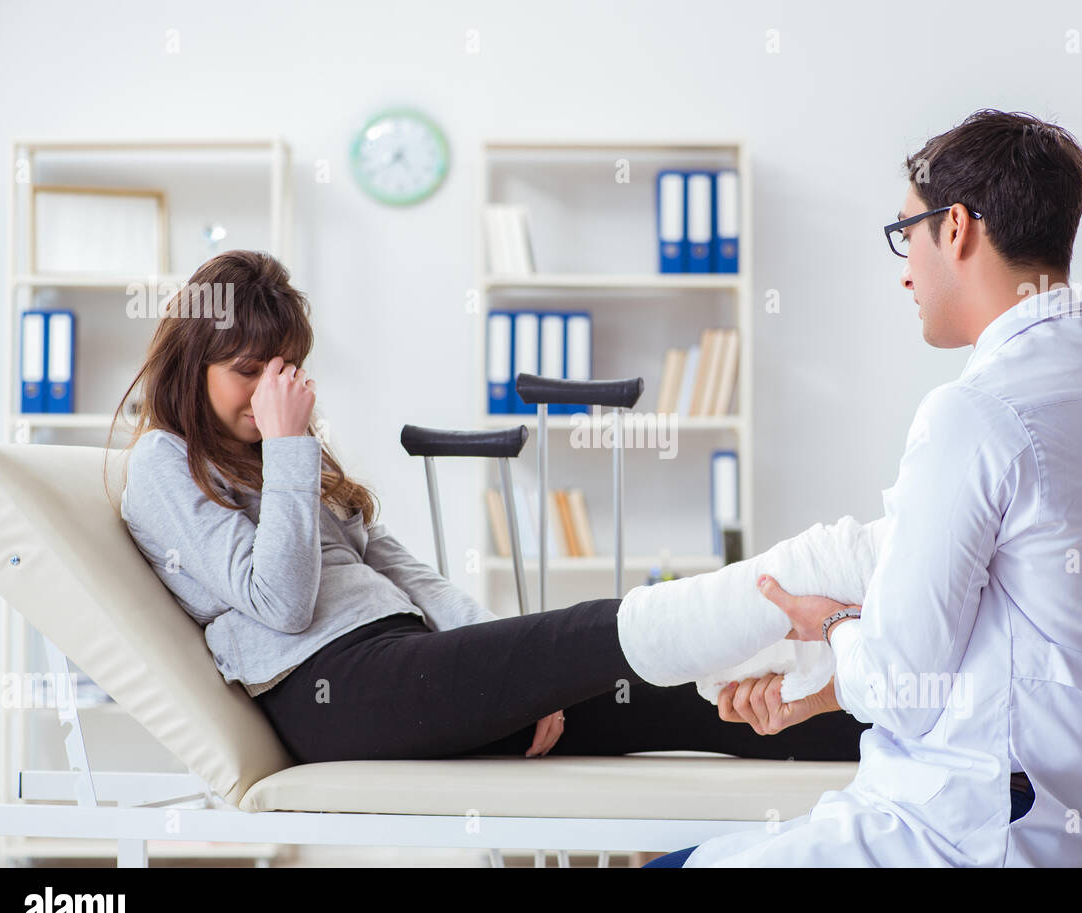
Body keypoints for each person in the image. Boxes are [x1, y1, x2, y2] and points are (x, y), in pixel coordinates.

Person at [641, 109, 1082, 867]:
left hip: (965, 840)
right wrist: (824, 690)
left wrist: (835, 625)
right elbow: (1048, 658)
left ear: (956, 228)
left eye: (905, 232)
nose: (905, 268)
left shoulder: (978, 413)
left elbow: (896, 681)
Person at [108, 249, 870, 808]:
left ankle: (900, 734)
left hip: (412, 663)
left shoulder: (284, 461)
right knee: (603, 630)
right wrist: (288, 448)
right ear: (192, 359)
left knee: (678, 692)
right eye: (248, 371)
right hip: (333, 689)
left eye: (286, 371)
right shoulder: (163, 461)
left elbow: (406, 574)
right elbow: (279, 602)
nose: (271, 392)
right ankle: (781, 583)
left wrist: (517, 682)